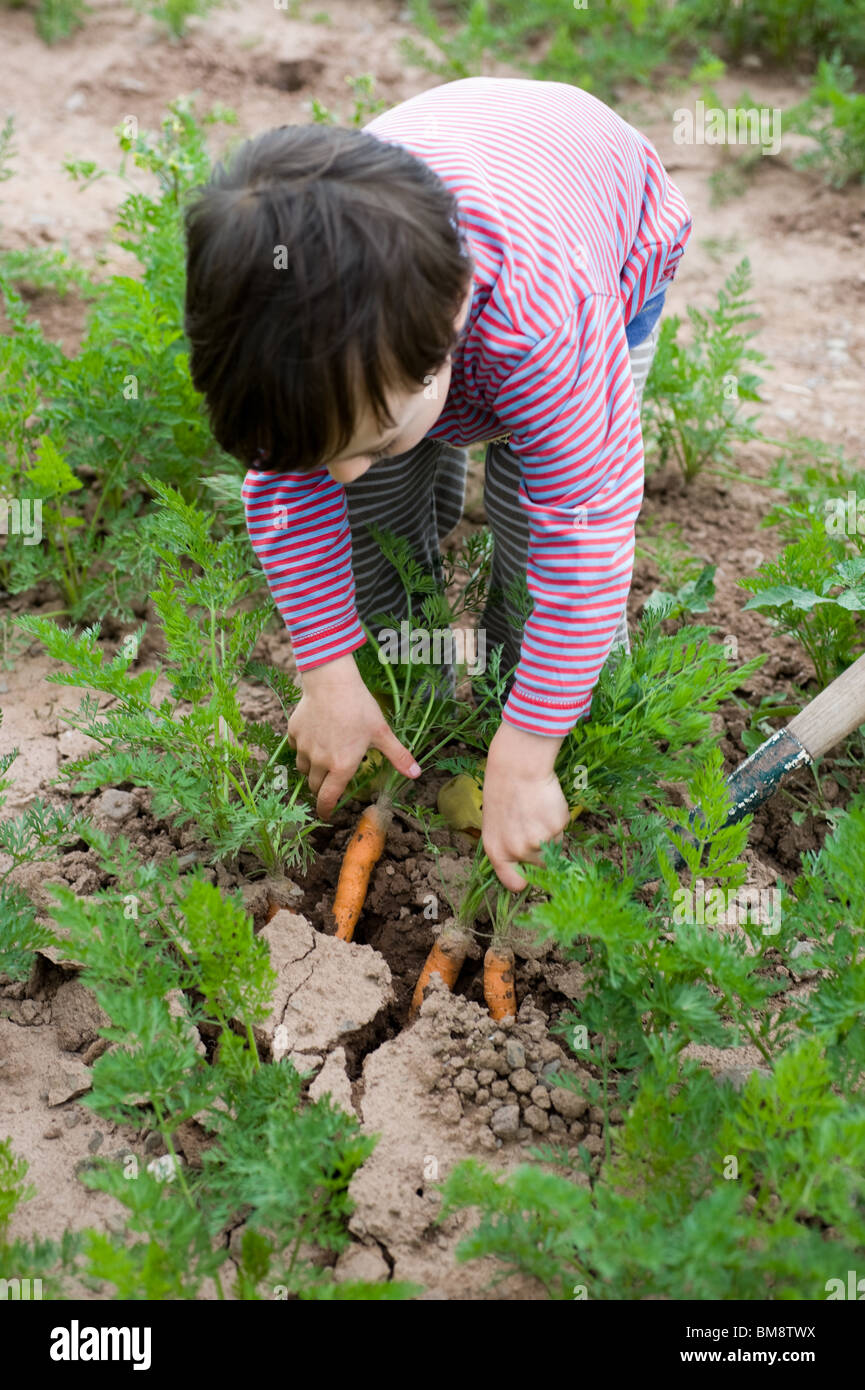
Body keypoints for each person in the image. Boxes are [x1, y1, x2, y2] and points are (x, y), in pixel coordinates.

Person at [183, 76, 692, 891]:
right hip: (436, 311)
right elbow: (289, 487)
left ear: (448, 333)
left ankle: (540, 719)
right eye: (322, 450)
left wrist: (526, 753)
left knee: (539, 528)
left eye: (369, 439)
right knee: (371, 505)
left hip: (609, 231)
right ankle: (405, 693)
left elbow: (585, 535)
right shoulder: (289, 340)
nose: (339, 472)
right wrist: (328, 676)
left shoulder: (546, 330)